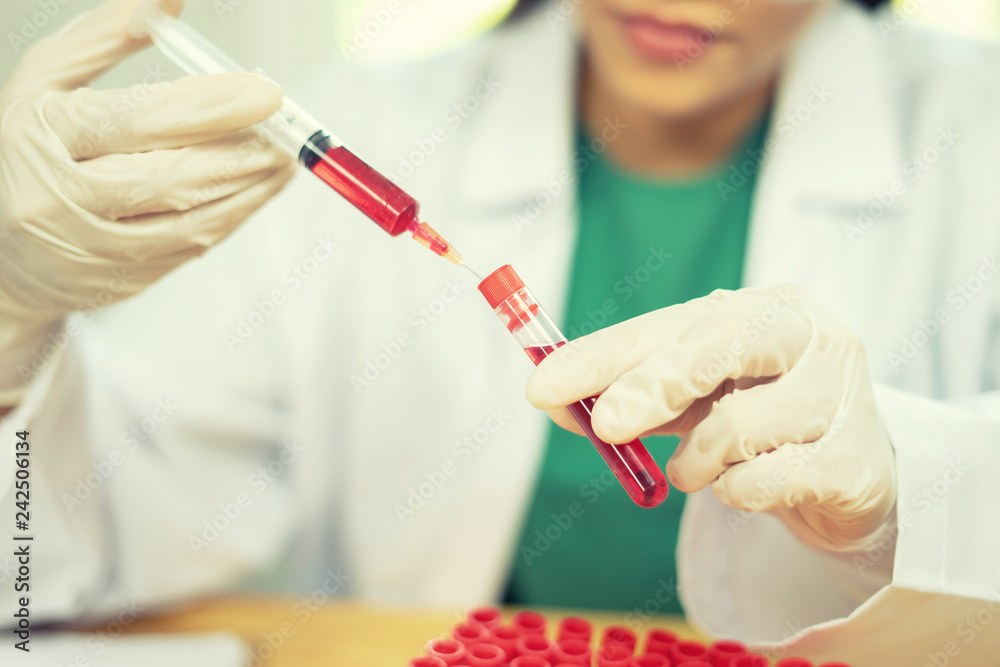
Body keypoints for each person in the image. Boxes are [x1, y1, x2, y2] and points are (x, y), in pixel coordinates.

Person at [1, 0, 997, 662]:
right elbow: (62, 541)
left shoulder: (977, 127)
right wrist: (10, 322)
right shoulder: (379, 117)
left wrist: (924, 484)